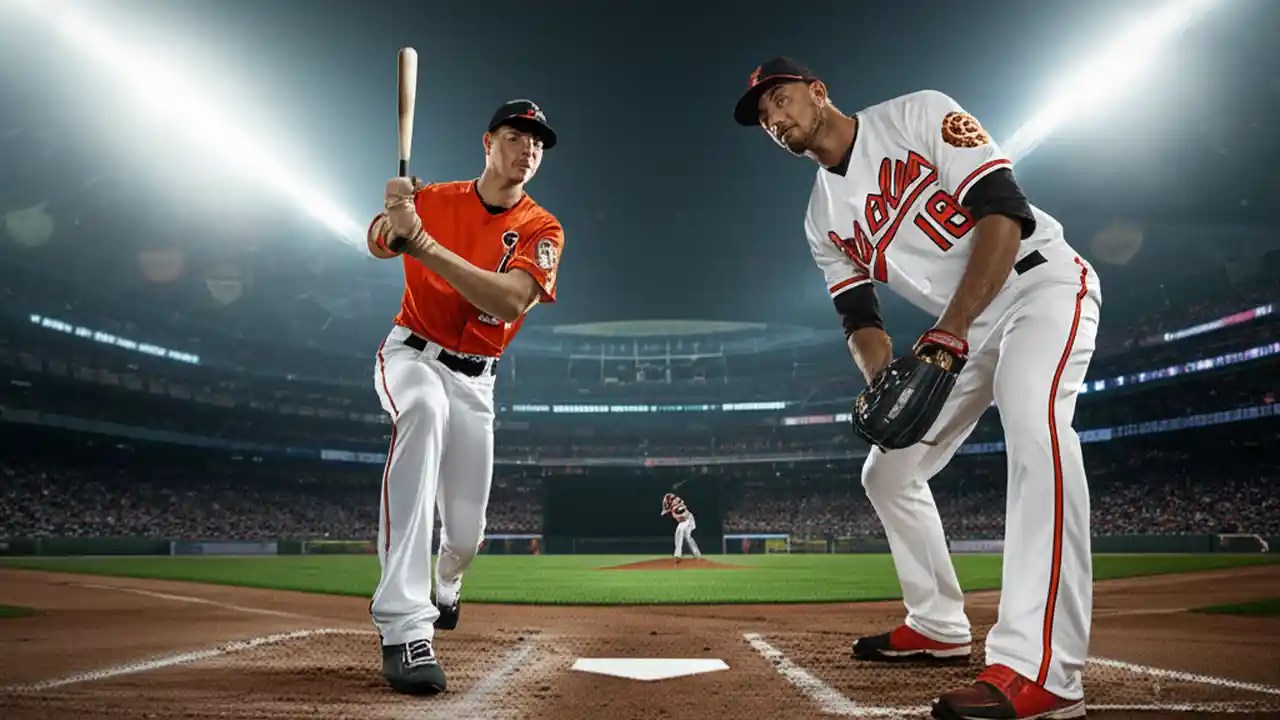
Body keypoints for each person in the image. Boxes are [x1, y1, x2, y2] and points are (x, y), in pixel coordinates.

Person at [734, 57, 1101, 720]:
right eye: (764, 119)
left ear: (819, 89)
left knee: (1034, 422)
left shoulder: (919, 113)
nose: (776, 120)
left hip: (1037, 285)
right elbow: (860, 318)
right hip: (961, 334)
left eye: (781, 100)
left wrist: (951, 330)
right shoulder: (821, 218)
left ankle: (1042, 669)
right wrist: (884, 382)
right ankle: (937, 624)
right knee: (888, 472)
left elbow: (1002, 211)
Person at [365, 99, 564, 695]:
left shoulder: (542, 227)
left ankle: (446, 584)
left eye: (537, 143)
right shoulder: (436, 200)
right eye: (515, 136)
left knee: (467, 534)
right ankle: (404, 626)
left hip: (478, 379)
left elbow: (510, 301)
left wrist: (420, 243)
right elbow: (378, 243)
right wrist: (393, 217)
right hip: (412, 354)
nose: (528, 149)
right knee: (421, 412)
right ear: (487, 142)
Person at [661, 492, 702, 560]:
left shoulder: (679, 506)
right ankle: (693, 553)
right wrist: (669, 510)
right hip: (683, 522)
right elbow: (666, 508)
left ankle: (680, 554)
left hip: (688, 520)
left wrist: (673, 513)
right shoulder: (673, 506)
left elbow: (684, 516)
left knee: (683, 533)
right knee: (683, 535)